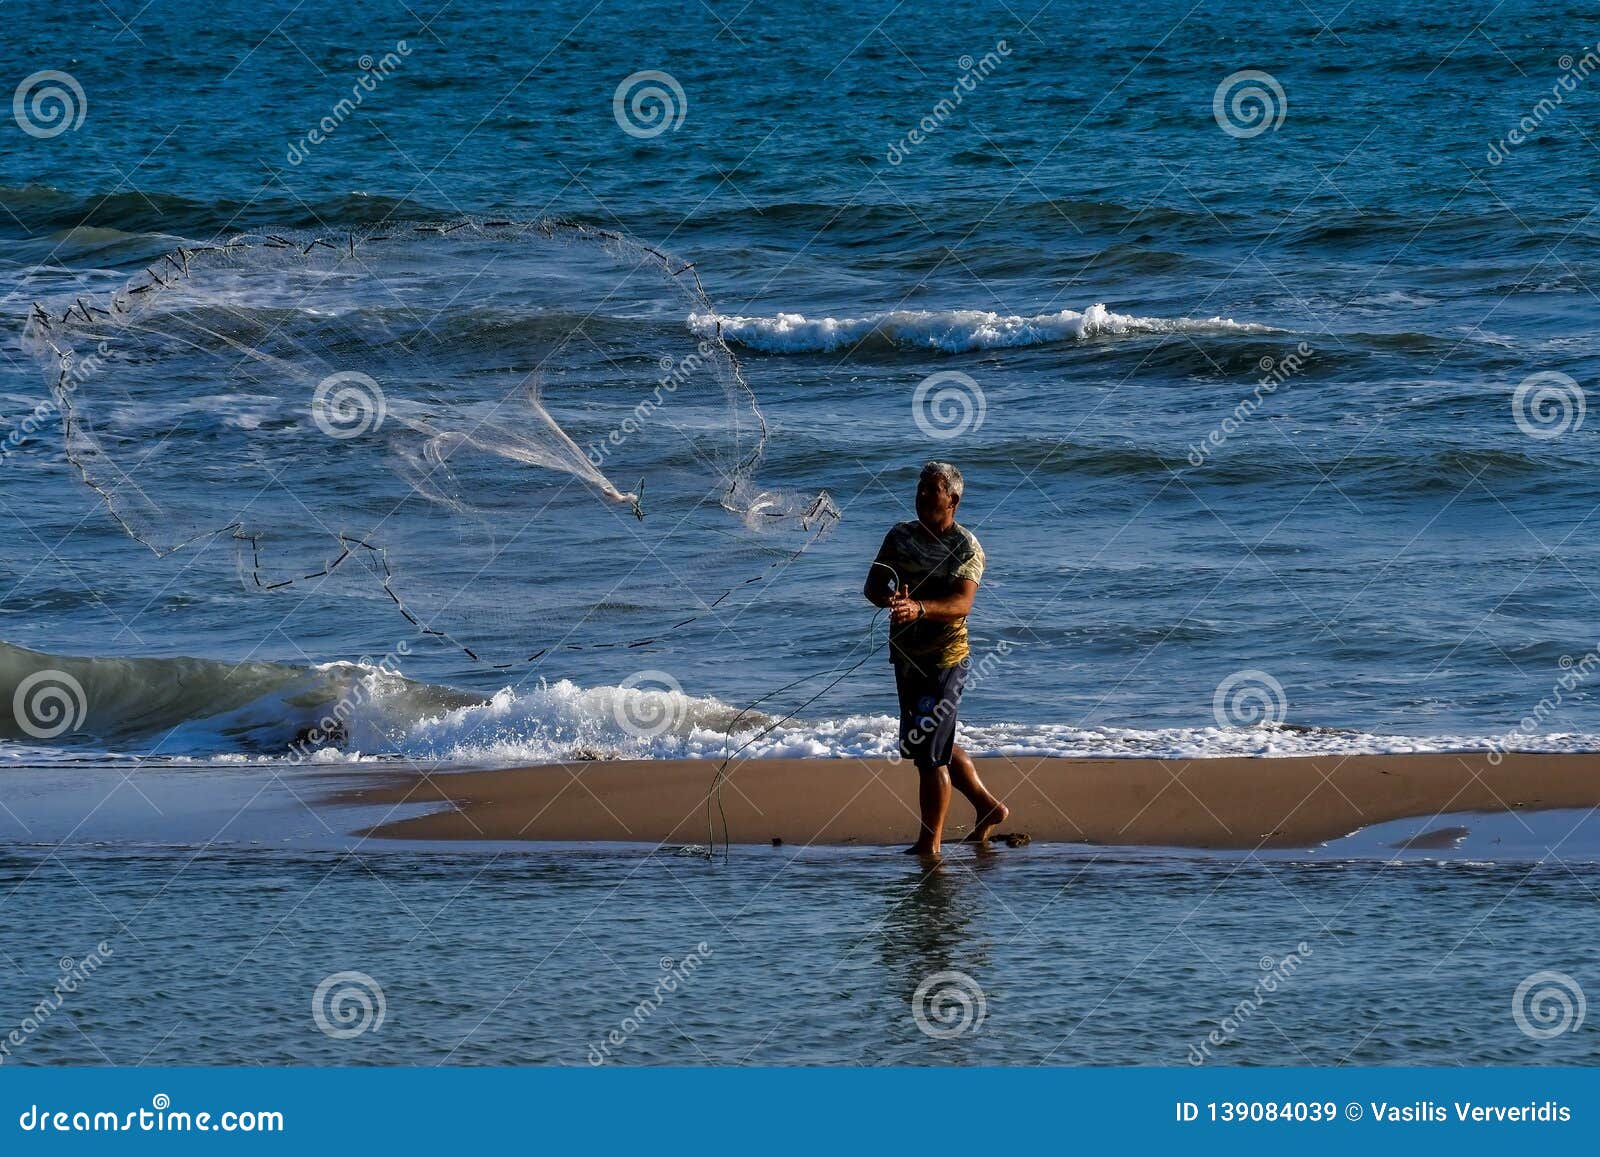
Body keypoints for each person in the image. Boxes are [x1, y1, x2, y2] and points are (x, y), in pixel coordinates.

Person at [863, 461, 1008, 856]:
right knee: (926, 745)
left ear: (953, 500)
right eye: (920, 489)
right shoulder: (899, 536)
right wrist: (889, 599)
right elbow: (873, 584)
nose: (922, 496)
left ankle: (930, 846)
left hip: (945, 660)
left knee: (929, 757)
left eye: (932, 491)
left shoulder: (966, 546)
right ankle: (988, 806)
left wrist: (919, 609)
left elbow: (963, 603)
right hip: (906, 657)